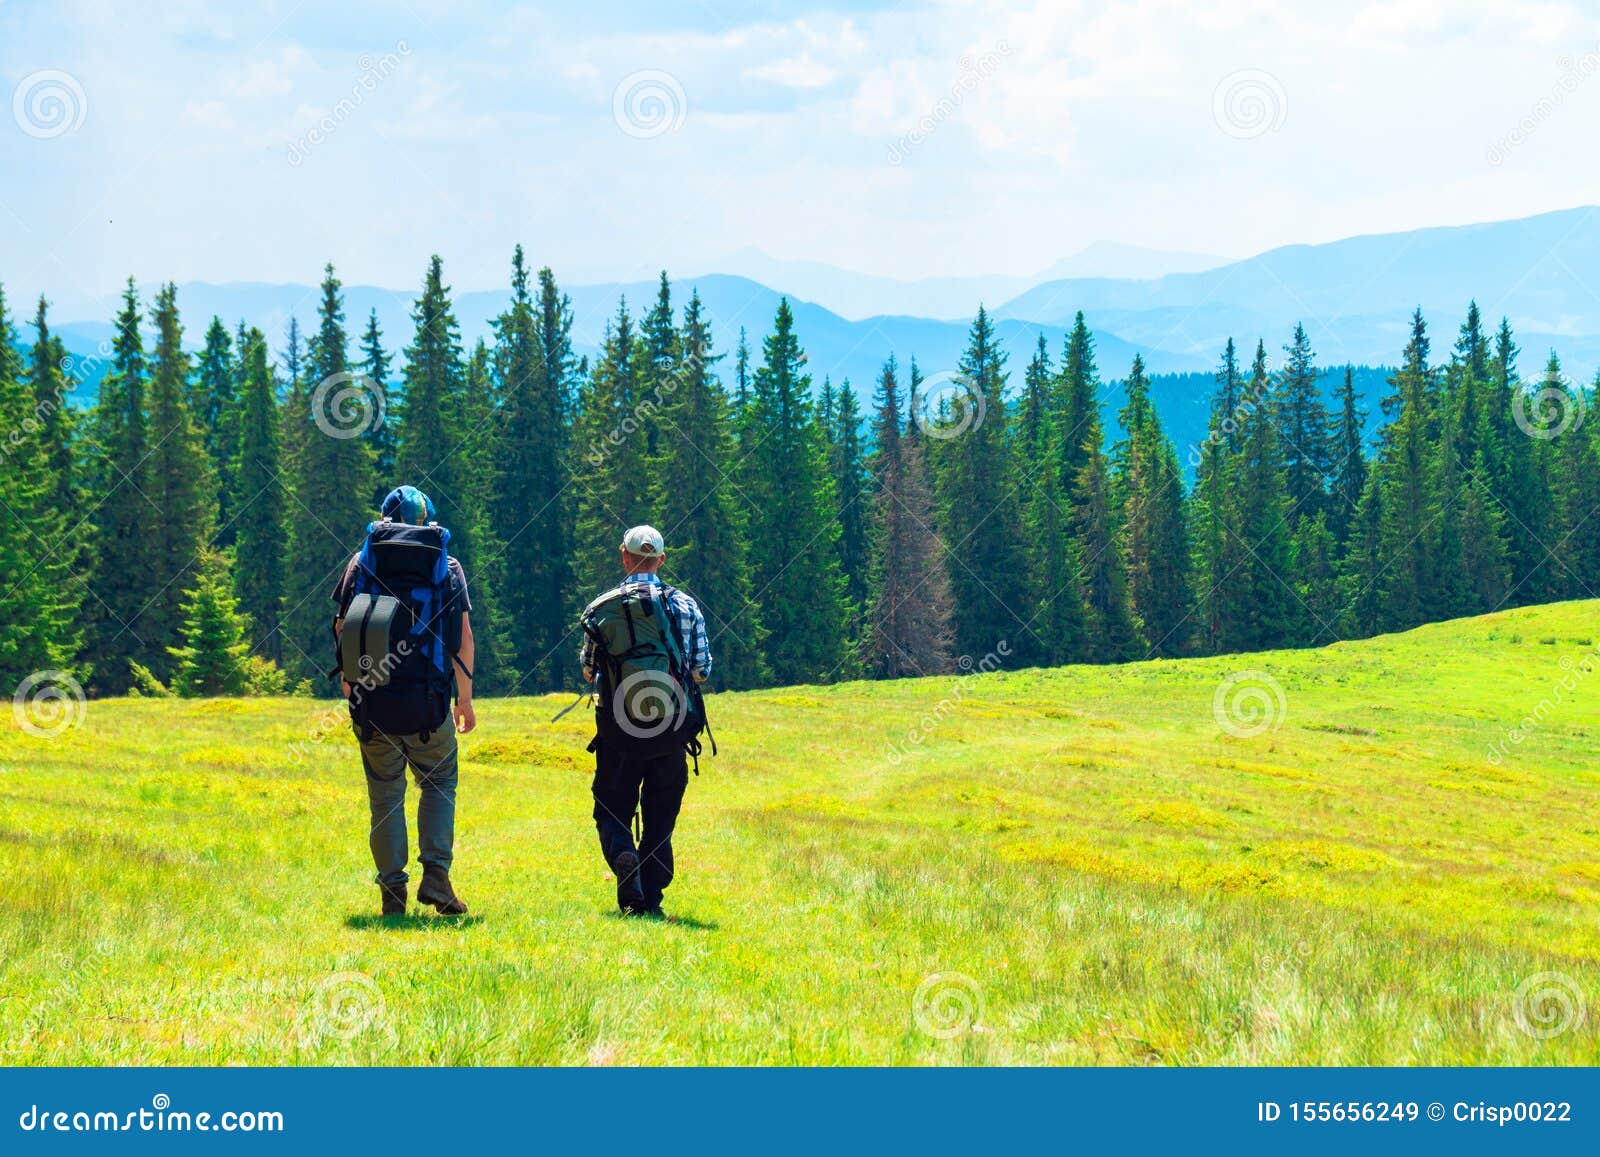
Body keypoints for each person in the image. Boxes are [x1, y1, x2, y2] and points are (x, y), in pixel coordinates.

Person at [331, 485, 476, 918]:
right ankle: (436, 877)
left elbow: (342, 627)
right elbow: (462, 637)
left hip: (374, 701)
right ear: (425, 521)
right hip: (429, 702)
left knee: (385, 795)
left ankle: (392, 891)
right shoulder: (447, 565)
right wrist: (464, 699)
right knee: (439, 783)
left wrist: (351, 682)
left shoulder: (361, 562)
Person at [578, 525, 711, 918]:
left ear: (624, 556)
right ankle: (650, 897)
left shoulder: (600, 607)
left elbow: (588, 670)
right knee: (660, 814)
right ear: (661, 560)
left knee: (611, 806)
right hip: (670, 730)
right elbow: (701, 671)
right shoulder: (685, 606)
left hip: (619, 731)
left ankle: (623, 852)